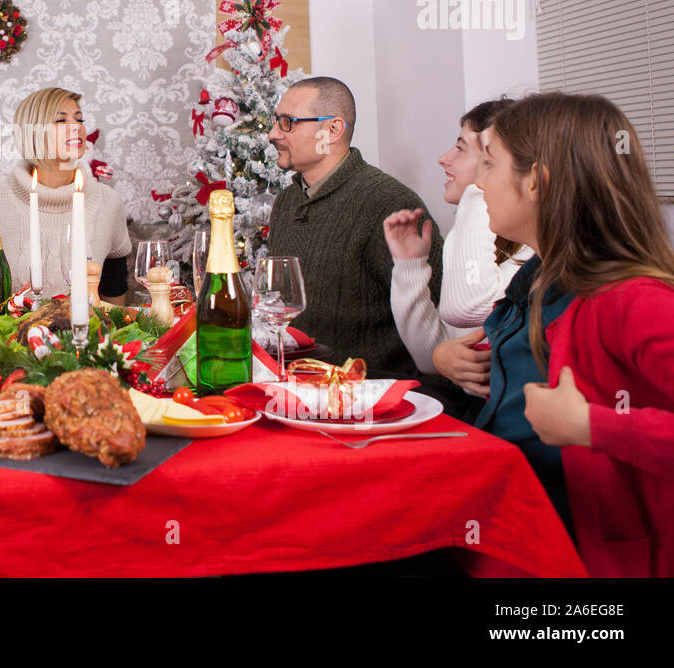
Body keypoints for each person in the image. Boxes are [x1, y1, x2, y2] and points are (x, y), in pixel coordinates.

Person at [436, 93, 673, 575]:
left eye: (490, 163)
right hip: (514, 522)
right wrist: (446, 357)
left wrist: (592, 426)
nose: (479, 181)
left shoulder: (635, 300)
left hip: (578, 553)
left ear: (537, 182)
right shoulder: (539, 277)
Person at [265, 76, 444, 374]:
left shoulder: (389, 203)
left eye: (287, 123)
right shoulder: (287, 200)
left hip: (365, 398)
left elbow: (436, 323)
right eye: (276, 121)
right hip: (293, 388)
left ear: (332, 129)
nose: (273, 134)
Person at [384, 99, 532, 406]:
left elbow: (464, 309)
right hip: (481, 414)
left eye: (461, 148)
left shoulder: (531, 252)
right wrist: (410, 267)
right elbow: (431, 357)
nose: (443, 158)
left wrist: (478, 190)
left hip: (515, 421)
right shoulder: (482, 239)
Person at [0, 87, 131, 305]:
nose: (77, 128)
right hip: (4, 337)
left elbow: (114, 288)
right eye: (61, 121)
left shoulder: (108, 201)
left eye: (79, 119)